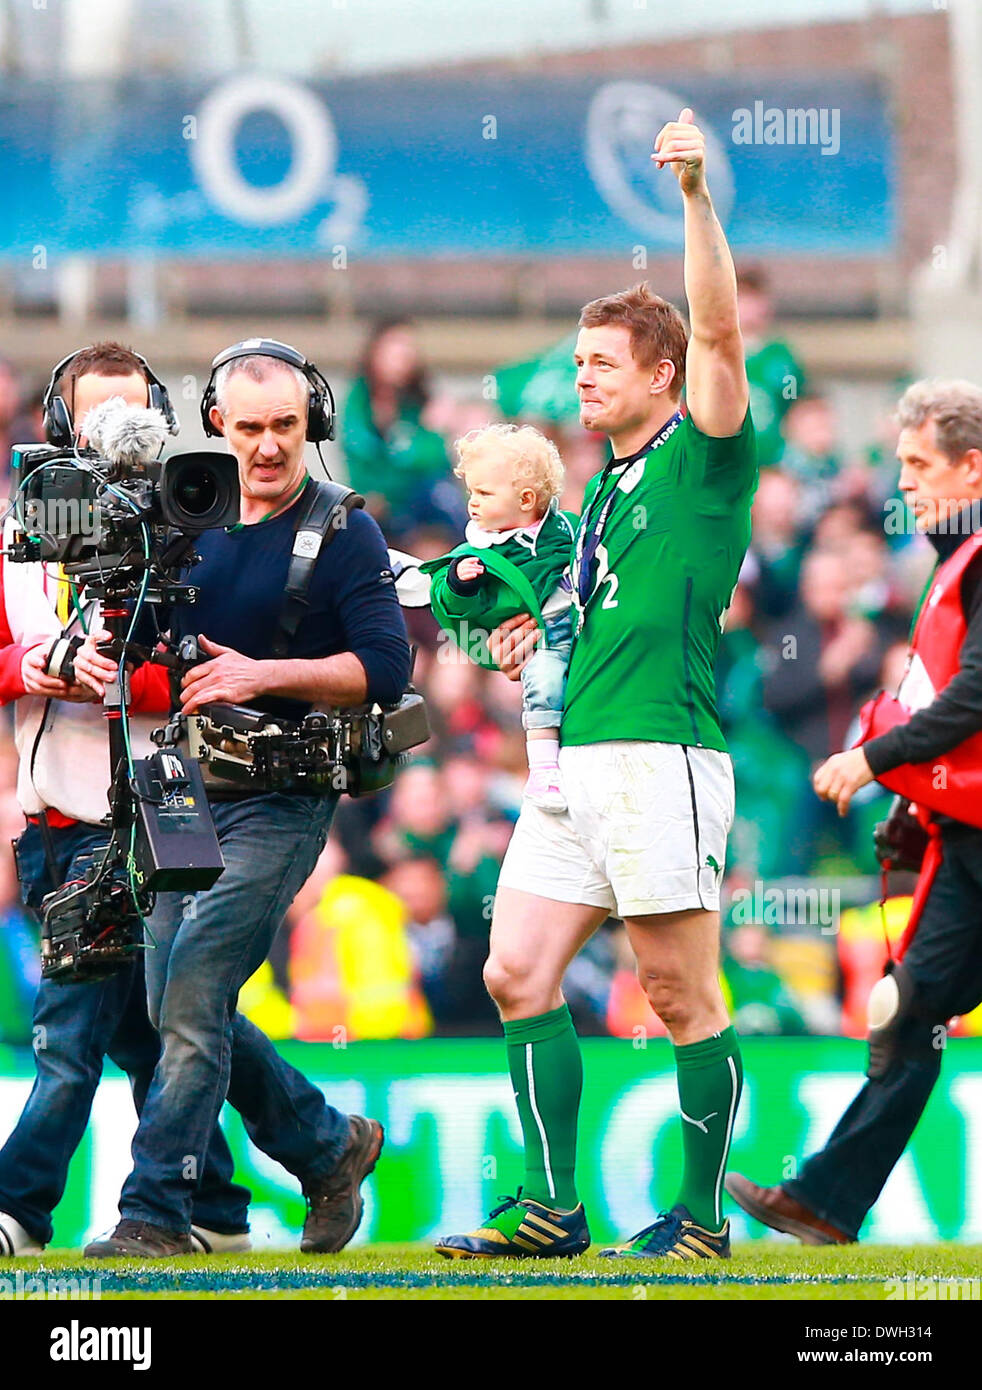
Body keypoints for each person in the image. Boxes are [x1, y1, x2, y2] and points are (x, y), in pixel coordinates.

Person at [435, 108, 757, 1260]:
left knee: (680, 996)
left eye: (600, 362)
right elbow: (545, 626)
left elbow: (717, 337)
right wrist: (499, 645)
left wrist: (692, 201)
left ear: (659, 375)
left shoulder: (703, 453)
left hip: (659, 753)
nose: (579, 377)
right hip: (576, 764)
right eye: (574, 362)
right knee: (512, 966)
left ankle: (704, 1220)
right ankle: (550, 1206)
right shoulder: (598, 497)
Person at [84, 339, 411, 1258]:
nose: (268, 448)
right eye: (251, 427)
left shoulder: (345, 527)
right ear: (214, 424)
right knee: (177, 1003)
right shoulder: (185, 516)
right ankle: (326, 1147)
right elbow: (146, 641)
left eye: (287, 428)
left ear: (313, 426)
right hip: (186, 786)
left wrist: (263, 674)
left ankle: (153, 1213)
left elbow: (389, 666)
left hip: (285, 794)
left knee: (191, 993)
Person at [0, 342, 252, 1257]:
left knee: (87, 1034)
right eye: (95, 414)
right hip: (60, 816)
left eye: (131, 411)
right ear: (58, 425)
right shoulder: (13, 539)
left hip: (166, 807)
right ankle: (233, 1199)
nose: (115, 434)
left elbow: (216, 666)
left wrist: (118, 681)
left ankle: (19, 1208)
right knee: (156, 1028)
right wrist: (30, 666)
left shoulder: (194, 524)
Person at [726, 379, 982, 1244]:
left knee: (909, 1014)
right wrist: (919, 804)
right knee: (908, 1011)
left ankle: (827, 1200)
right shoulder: (956, 564)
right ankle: (828, 1203)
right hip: (968, 837)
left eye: (921, 464)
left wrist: (875, 759)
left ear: (972, 467)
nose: (903, 482)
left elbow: (978, 693)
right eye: (903, 462)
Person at [422, 423, 576, 810]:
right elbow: (455, 604)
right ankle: (543, 771)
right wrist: (460, 584)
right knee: (542, 682)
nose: (472, 503)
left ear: (526, 499)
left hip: (576, 625)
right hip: (537, 637)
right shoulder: (480, 549)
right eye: (471, 492)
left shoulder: (566, 530)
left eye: (484, 493)